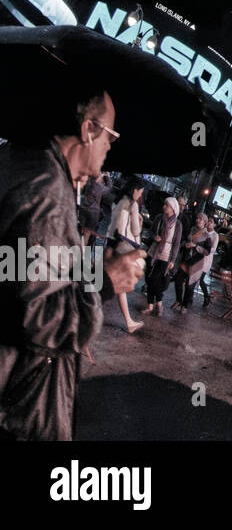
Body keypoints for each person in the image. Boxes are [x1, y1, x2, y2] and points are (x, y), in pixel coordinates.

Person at [0, 83, 145, 439]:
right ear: (88, 129)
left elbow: (25, 275)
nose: (111, 148)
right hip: (20, 403)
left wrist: (90, 273)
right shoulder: (47, 190)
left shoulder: (16, 160)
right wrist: (106, 281)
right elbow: (39, 316)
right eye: (111, 136)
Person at [109, 179, 146, 332]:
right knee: (118, 284)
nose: (140, 195)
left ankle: (129, 321)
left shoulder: (117, 201)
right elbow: (136, 231)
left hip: (112, 244)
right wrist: (139, 221)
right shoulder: (133, 204)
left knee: (113, 283)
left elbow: (115, 225)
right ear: (135, 190)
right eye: (140, 191)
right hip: (124, 247)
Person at [144, 197, 183, 316]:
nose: (164, 207)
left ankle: (159, 303)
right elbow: (150, 231)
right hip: (153, 252)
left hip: (166, 255)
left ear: (173, 208)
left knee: (156, 279)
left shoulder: (178, 224)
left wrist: (173, 259)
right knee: (149, 279)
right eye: (164, 204)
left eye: (167, 205)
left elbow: (176, 243)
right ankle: (151, 305)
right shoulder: (159, 218)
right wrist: (154, 236)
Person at [172, 212, 215, 313]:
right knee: (178, 279)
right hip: (186, 259)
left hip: (197, 262)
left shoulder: (207, 236)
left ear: (204, 222)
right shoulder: (192, 230)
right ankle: (178, 300)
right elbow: (185, 240)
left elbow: (207, 251)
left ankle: (185, 306)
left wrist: (195, 246)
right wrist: (185, 245)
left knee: (189, 285)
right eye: (197, 218)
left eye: (200, 219)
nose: (197, 220)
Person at [196, 215, 218, 307]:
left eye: (211, 222)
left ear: (214, 225)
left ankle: (206, 296)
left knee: (201, 280)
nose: (209, 223)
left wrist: (204, 248)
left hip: (206, 260)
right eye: (208, 221)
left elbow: (212, 249)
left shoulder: (215, 236)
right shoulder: (203, 231)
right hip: (197, 257)